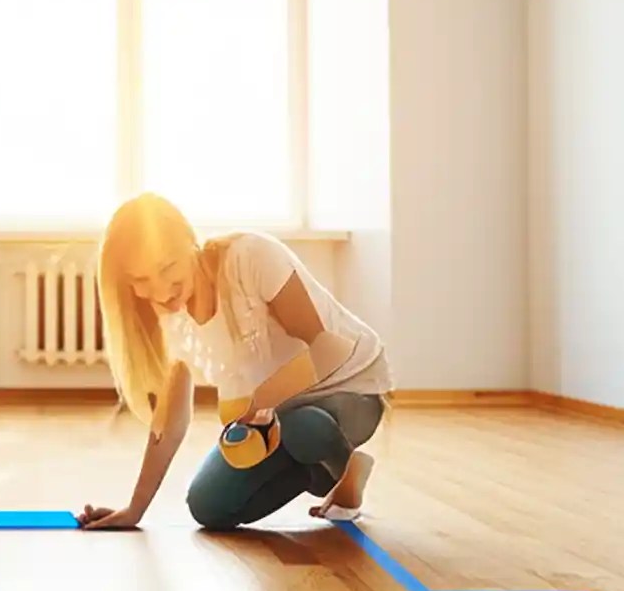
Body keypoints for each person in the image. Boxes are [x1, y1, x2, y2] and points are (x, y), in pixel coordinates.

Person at [77, 193, 393, 531]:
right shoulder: (169, 321)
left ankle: (348, 473)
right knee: (208, 507)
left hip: (349, 388)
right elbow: (169, 427)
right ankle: (318, 472)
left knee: (305, 428)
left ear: (189, 241)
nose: (160, 290)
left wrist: (259, 402)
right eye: (140, 280)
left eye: (167, 268)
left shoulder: (251, 256)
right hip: (280, 415)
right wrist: (134, 510)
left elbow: (329, 349)